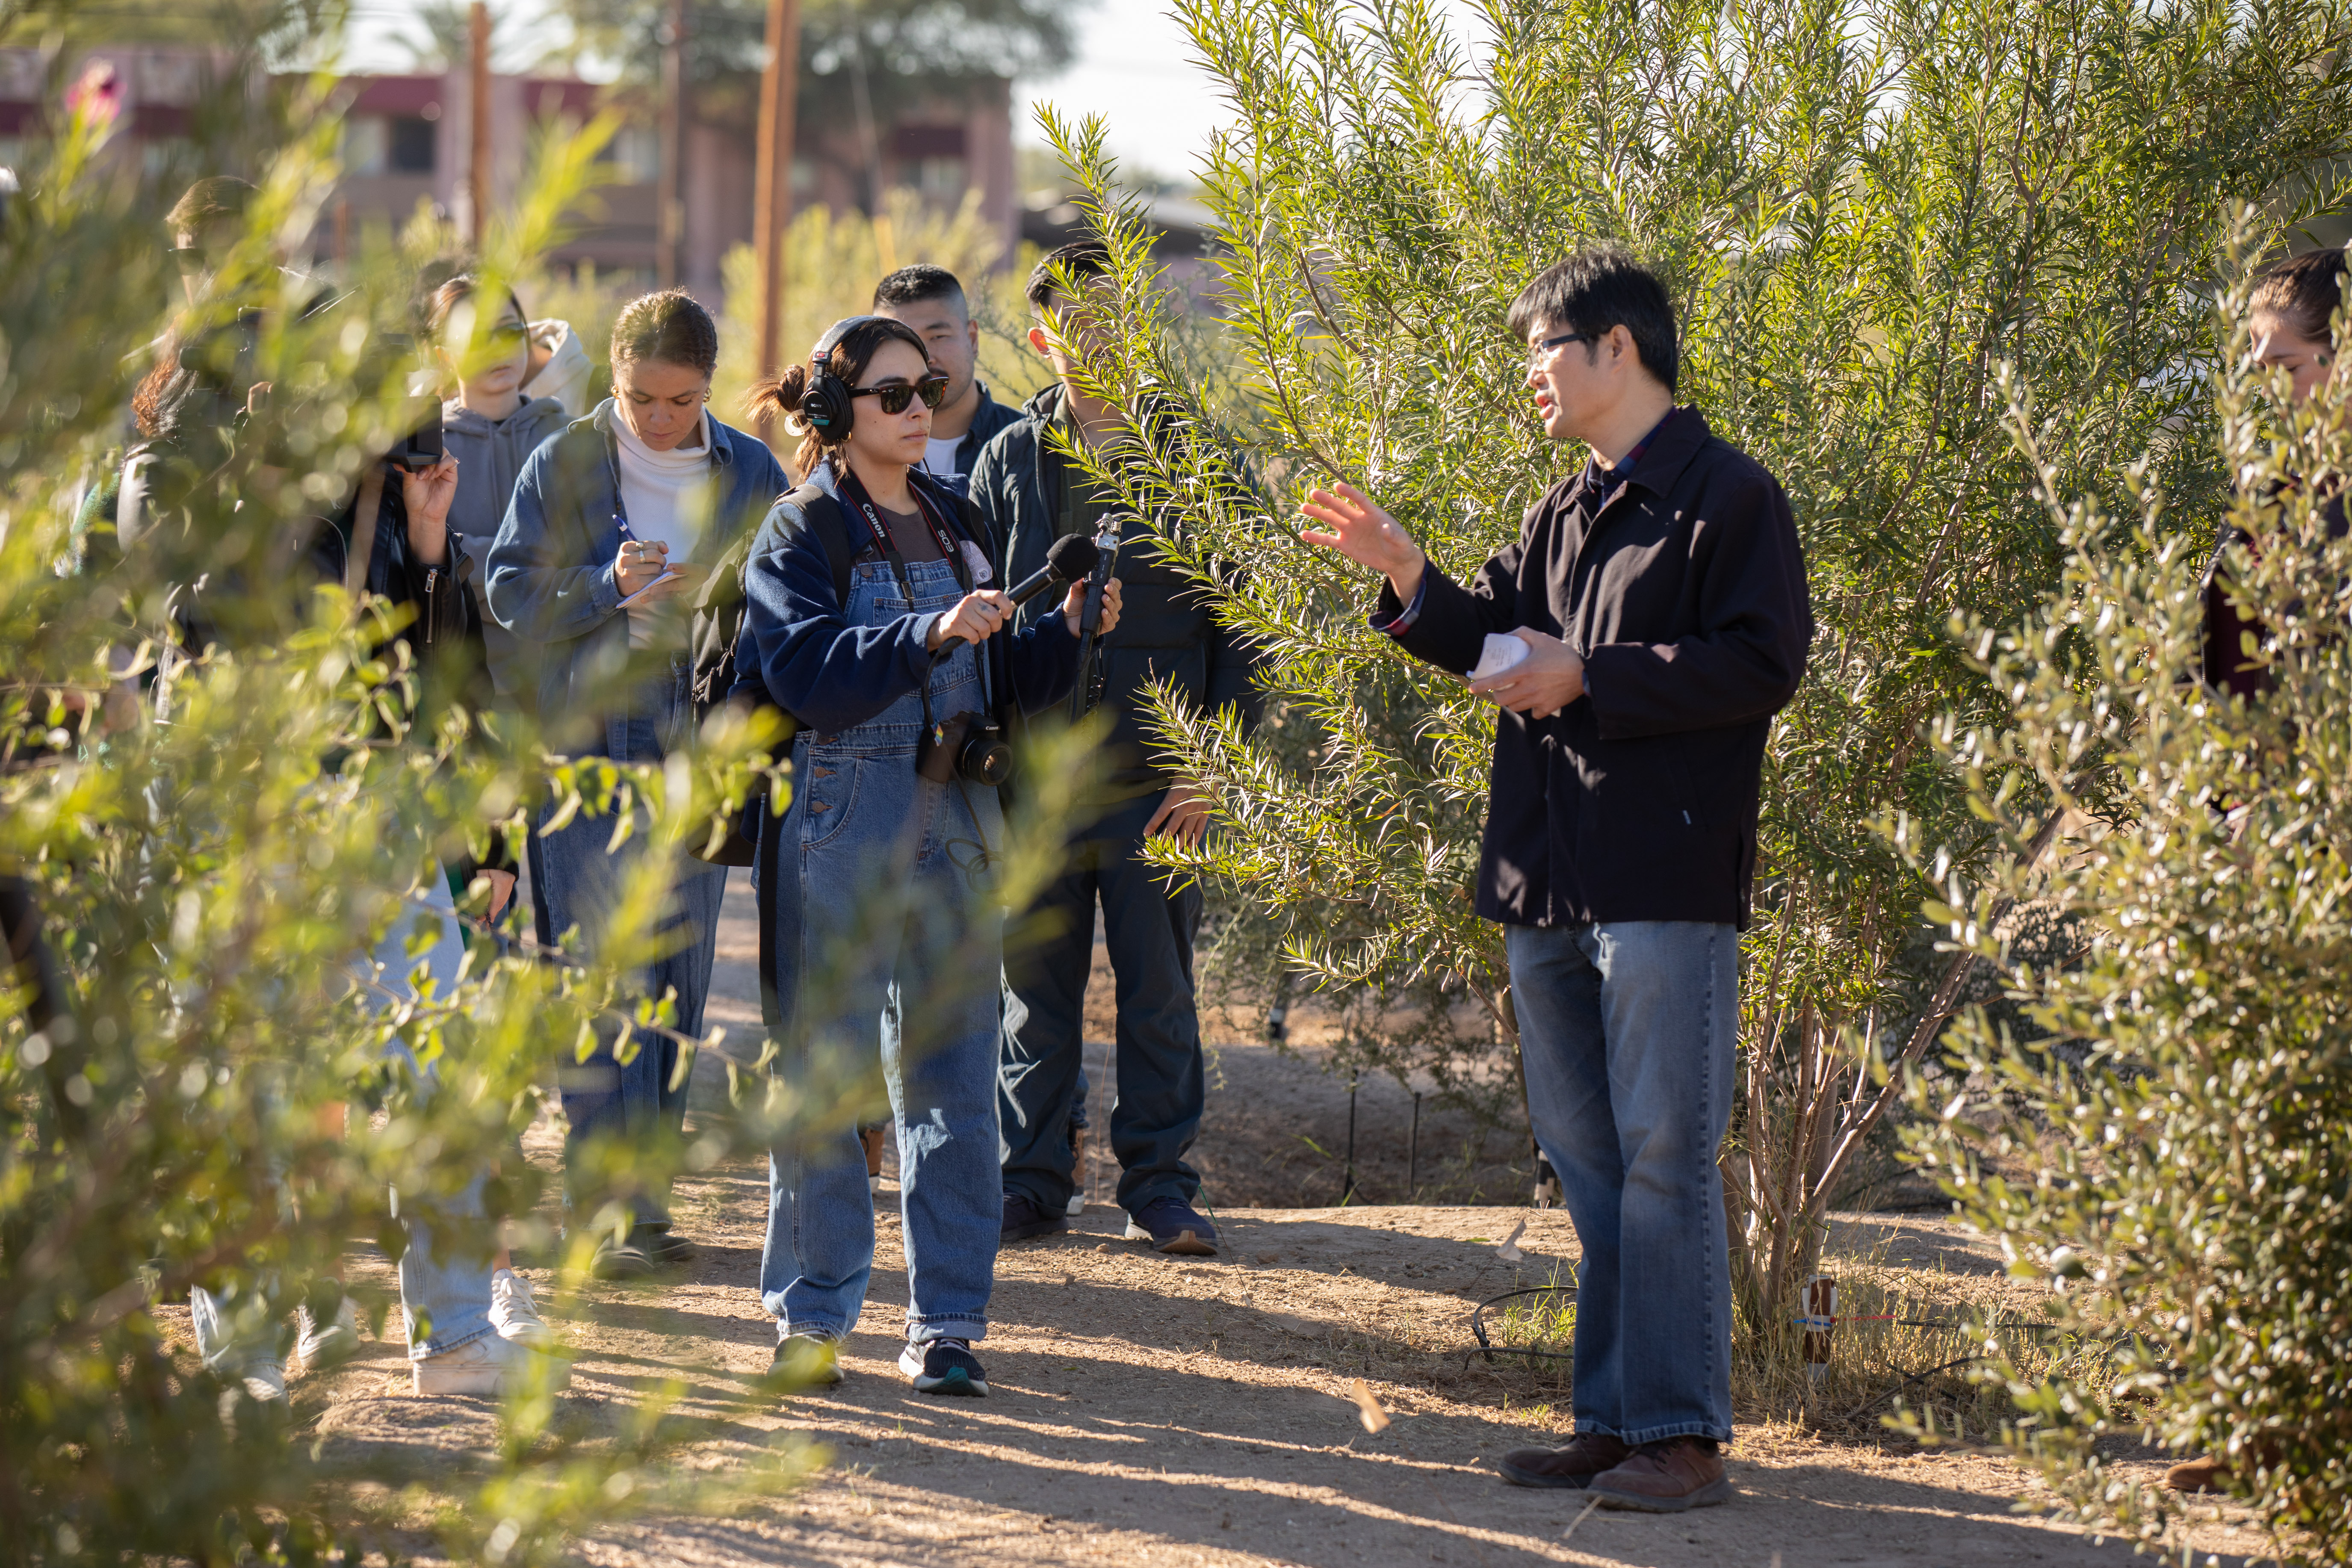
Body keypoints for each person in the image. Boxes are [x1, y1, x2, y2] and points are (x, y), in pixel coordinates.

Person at [1300, 250, 1810, 1512]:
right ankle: (1613, 1419)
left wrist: (1590, 672)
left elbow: (1764, 662)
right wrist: (1409, 577)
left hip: (1661, 878)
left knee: (1664, 1152)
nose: (1530, 371)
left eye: (1544, 348)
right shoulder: (1561, 510)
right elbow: (1491, 637)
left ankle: (1681, 1435)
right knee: (1588, 1156)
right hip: (1545, 878)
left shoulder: (1729, 497)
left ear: (1616, 348)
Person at [736, 315, 1119, 1397]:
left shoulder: (958, 519)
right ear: (835, 413)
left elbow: (998, 682)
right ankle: (811, 1320)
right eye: (894, 395)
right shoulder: (797, 530)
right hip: (840, 817)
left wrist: (1064, 632)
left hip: (956, 821)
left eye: (930, 388)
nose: (920, 410)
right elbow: (805, 674)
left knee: (954, 1078)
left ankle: (947, 1323)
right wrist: (928, 632)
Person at [485, 289, 787, 1279]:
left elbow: (796, 595)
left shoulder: (752, 471)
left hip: (700, 734)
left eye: (681, 400)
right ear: (612, 380)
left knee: (675, 973)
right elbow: (508, 591)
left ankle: (645, 1203)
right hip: (586, 734)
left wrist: (719, 599)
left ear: (709, 387)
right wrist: (605, 588)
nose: (659, 418)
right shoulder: (561, 461)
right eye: (640, 398)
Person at [975, 240, 1264, 1257]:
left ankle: (1159, 1187)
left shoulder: (1200, 456)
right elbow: (983, 614)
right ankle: (1028, 1182)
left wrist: (1212, 763)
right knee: (1031, 996)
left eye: (1117, 318)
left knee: (1159, 993)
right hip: (1039, 786)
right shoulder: (1008, 459)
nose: (1099, 339)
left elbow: (1246, 625)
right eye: (1078, 323)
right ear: (1041, 335)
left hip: (1159, 786)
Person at [2167, 245, 2348, 1495]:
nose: (2258, 382)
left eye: (2278, 360)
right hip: (2268, 857)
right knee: (2258, 1136)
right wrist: (2231, 808)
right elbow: (2221, 680)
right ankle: (2261, 1420)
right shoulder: (2270, 495)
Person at [871, 264, 1022, 494]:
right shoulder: (864, 450)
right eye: (902, 342)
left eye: (938, 336)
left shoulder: (1031, 445)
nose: (924, 358)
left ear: (973, 339)